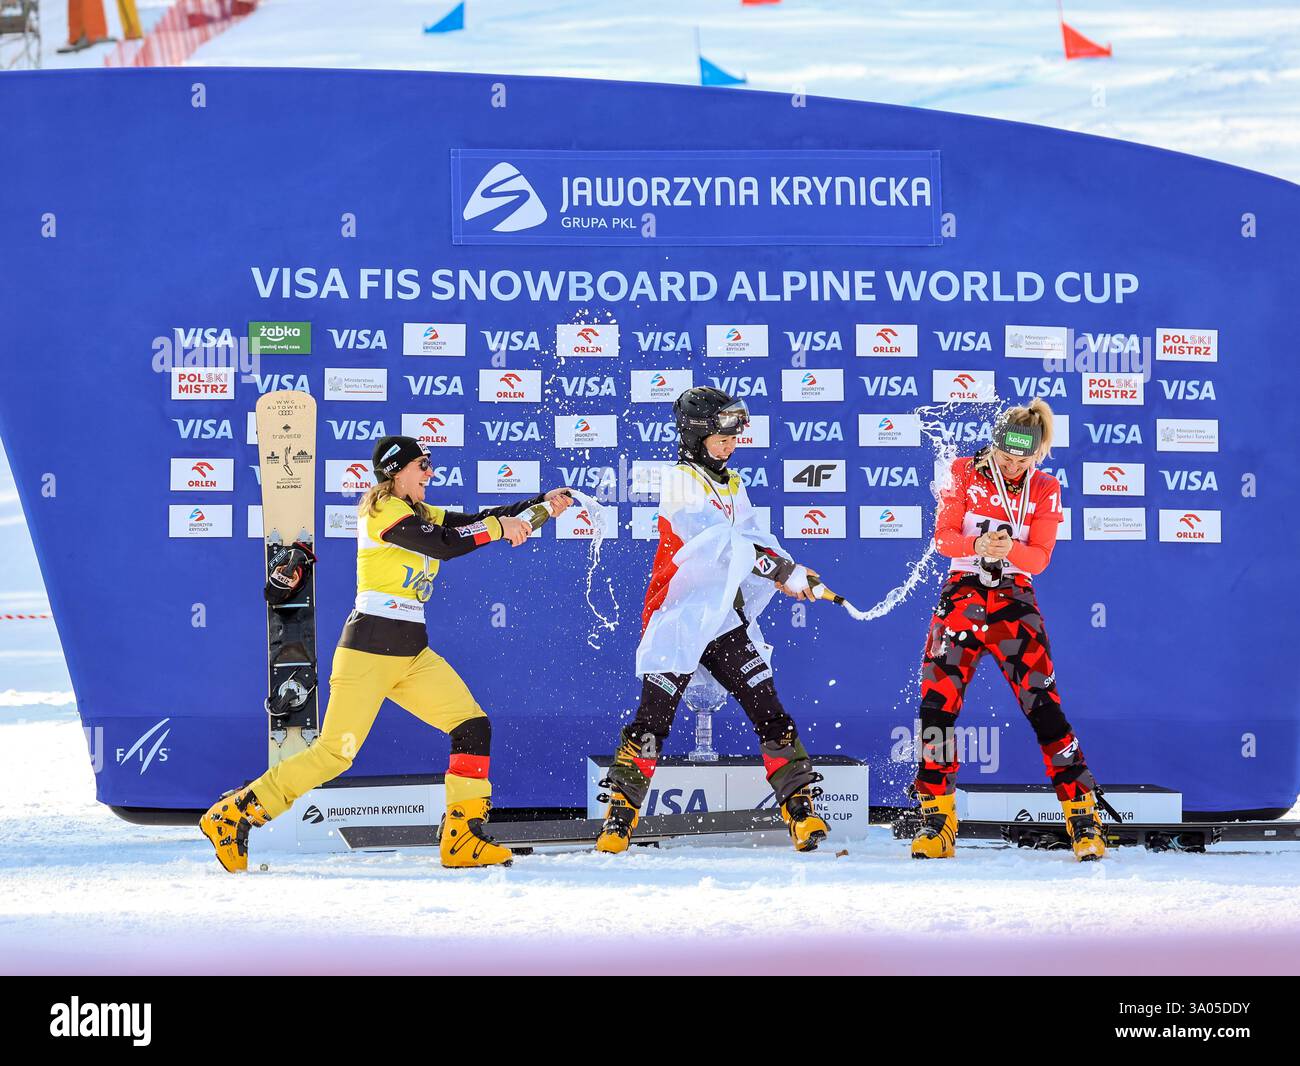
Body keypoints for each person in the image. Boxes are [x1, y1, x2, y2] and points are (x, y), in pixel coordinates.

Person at [201, 434, 573, 871]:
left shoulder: (421, 511)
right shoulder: (381, 509)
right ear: (396, 471)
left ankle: (461, 839)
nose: (430, 473)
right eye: (422, 466)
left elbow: (474, 520)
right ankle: (233, 815)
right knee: (334, 755)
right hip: (369, 652)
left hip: (411, 653)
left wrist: (540, 504)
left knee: (471, 726)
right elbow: (445, 546)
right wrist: (498, 530)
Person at [595, 386, 829, 854]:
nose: (731, 443)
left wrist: (794, 572)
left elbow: (755, 538)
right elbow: (717, 542)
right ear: (696, 433)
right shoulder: (680, 479)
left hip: (721, 618)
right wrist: (779, 570)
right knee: (651, 723)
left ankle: (800, 812)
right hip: (679, 617)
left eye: (734, 434)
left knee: (770, 710)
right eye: (721, 435)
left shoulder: (734, 483)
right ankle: (619, 819)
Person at [911, 398, 1105, 861]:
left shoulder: (1044, 487)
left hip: (1014, 603)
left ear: (1037, 455)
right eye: (1006, 459)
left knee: (1046, 711)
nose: (1014, 467)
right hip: (961, 596)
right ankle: (937, 820)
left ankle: (1082, 816)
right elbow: (943, 538)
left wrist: (1007, 549)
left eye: (1023, 460)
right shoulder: (962, 471)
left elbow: (1039, 557)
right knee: (937, 710)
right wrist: (978, 543)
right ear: (994, 447)